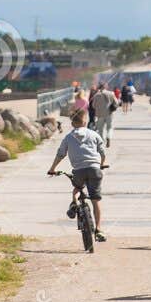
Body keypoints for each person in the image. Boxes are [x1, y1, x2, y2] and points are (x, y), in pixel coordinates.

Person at [48, 109, 110, 239]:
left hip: (79, 171)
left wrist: (52, 168)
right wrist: (102, 163)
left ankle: (74, 202)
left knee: (77, 188)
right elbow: (103, 152)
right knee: (95, 200)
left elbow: (61, 154)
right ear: (85, 121)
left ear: (72, 123)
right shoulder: (94, 134)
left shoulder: (68, 137)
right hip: (95, 169)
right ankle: (98, 229)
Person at [89, 82, 115, 147]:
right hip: (109, 114)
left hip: (100, 114)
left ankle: (102, 142)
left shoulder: (96, 95)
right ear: (106, 87)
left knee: (100, 129)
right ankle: (108, 137)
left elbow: (93, 105)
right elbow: (116, 103)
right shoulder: (111, 93)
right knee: (109, 128)